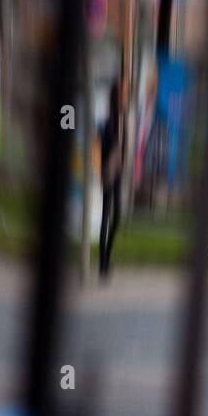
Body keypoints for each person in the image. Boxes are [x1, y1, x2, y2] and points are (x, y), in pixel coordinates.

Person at [98, 81, 123, 276]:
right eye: (122, 93)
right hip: (108, 172)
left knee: (117, 215)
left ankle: (107, 255)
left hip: (118, 173)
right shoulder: (108, 121)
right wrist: (103, 172)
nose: (125, 97)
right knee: (106, 215)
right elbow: (103, 148)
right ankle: (102, 262)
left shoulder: (122, 119)